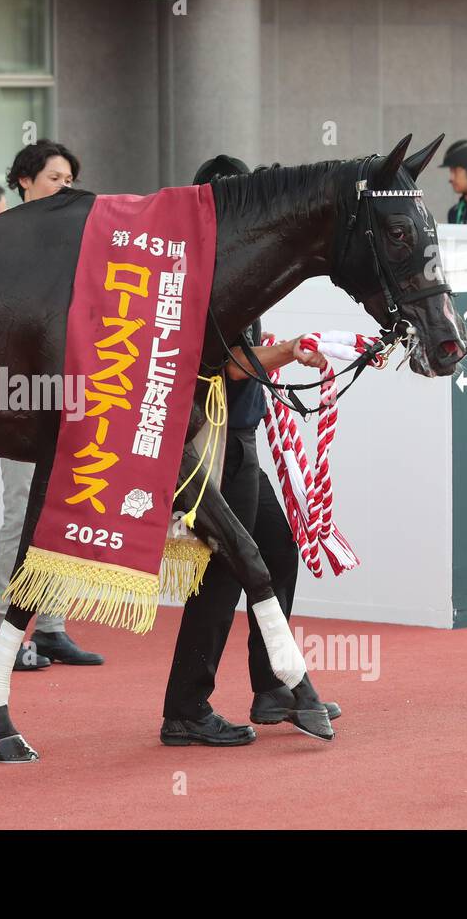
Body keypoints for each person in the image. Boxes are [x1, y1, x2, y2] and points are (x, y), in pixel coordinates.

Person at [159, 154, 341, 747]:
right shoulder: (204, 273)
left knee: (277, 553)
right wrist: (291, 349)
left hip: (238, 445)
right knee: (221, 577)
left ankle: (270, 688)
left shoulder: (234, 266)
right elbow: (234, 364)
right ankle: (186, 710)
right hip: (211, 450)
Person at [0, 138, 99, 671]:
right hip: (17, 391)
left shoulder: (79, 241)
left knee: (64, 507)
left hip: (71, 389)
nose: (66, 187)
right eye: (56, 177)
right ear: (24, 181)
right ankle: (2, 633)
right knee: (21, 510)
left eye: (70, 179)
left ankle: (51, 626)